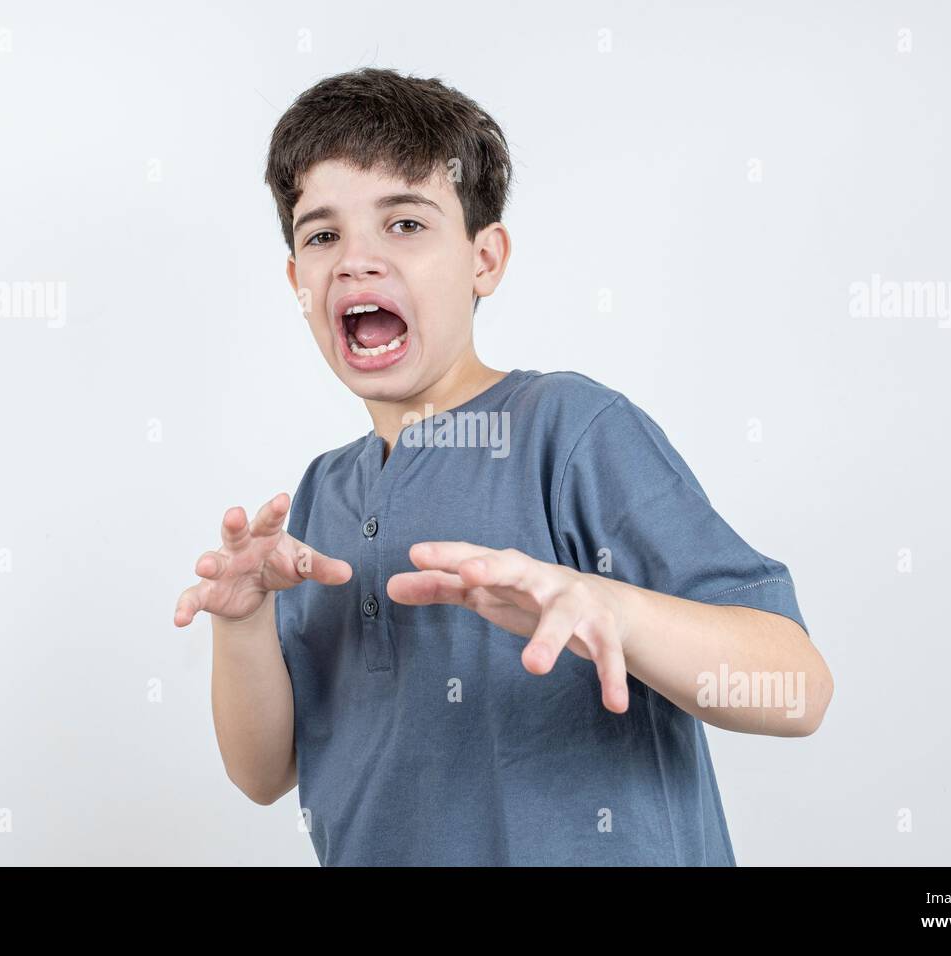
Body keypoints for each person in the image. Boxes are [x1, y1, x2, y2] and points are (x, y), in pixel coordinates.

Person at [173, 67, 834, 866]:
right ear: (299, 286)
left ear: (485, 260)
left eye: (406, 225)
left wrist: (606, 607)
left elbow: (798, 690)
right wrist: (242, 623)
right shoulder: (319, 496)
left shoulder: (574, 430)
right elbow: (264, 772)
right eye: (322, 236)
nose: (355, 261)